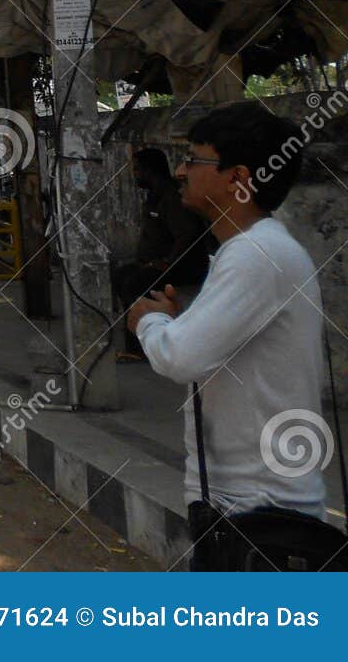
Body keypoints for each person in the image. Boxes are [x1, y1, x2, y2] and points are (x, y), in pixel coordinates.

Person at [128, 103, 329, 568]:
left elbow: (180, 358)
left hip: (260, 508)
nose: (180, 171)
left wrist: (150, 322)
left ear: (238, 177)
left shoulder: (256, 254)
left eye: (194, 160)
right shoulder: (250, 251)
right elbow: (212, 348)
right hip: (247, 504)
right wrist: (177, 323)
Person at [114, 148, 210, 361]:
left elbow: (187, 234)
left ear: (150, 170)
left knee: (135, 283)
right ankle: (136, 337)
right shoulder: (154, 196)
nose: (135, 174)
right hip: (154, 263)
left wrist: (167, 263)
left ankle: (140, 349)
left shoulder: (171, 196)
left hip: (181, 267)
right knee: (121, 276)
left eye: (138, 170)